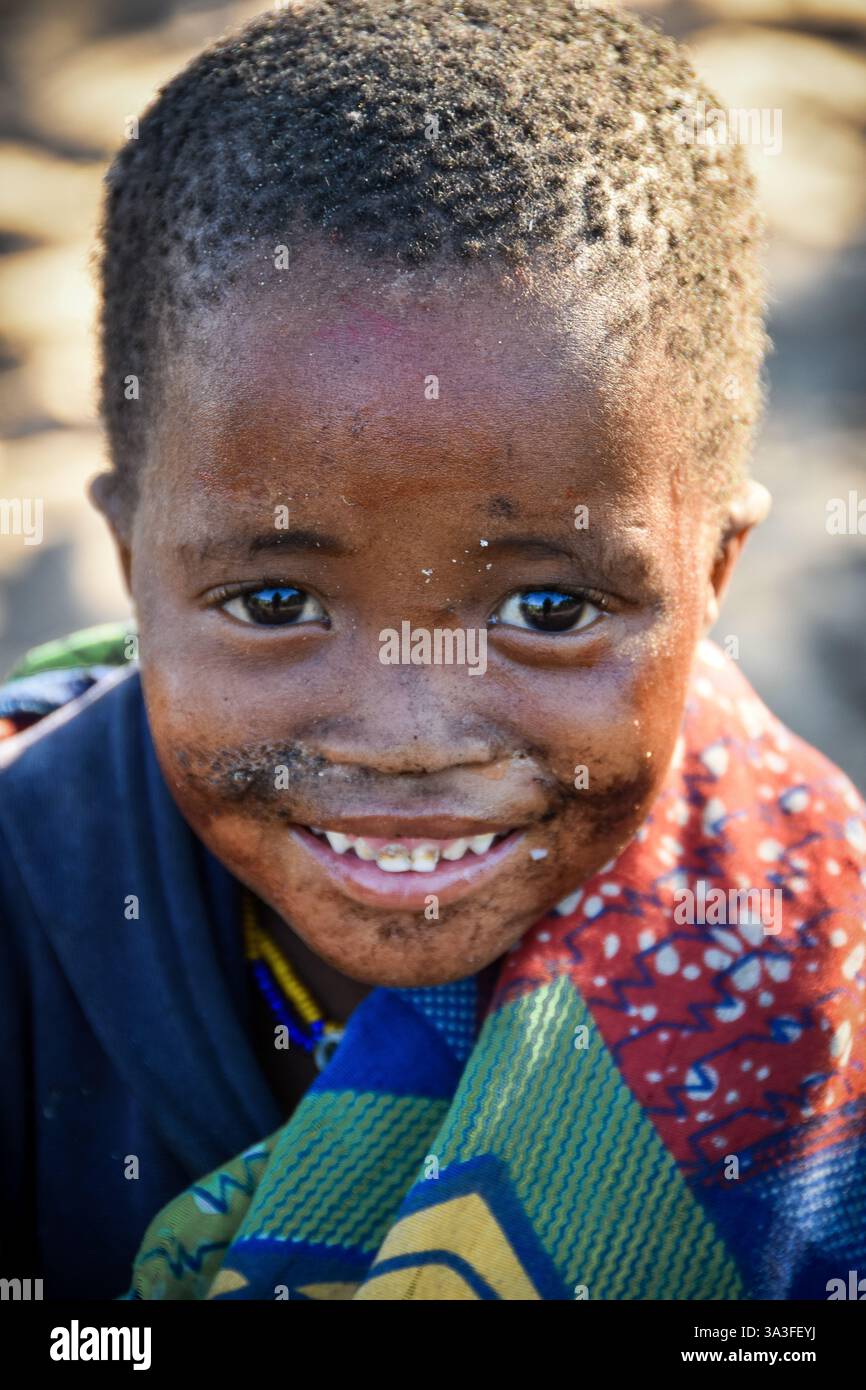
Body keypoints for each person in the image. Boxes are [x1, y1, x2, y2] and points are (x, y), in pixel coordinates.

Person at [1, 0, 864, 1301]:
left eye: (548, 610)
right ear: (132, 564)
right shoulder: (25, 910)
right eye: (278, 601)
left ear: (709, 576)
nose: (406, 738)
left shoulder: (815, 972)